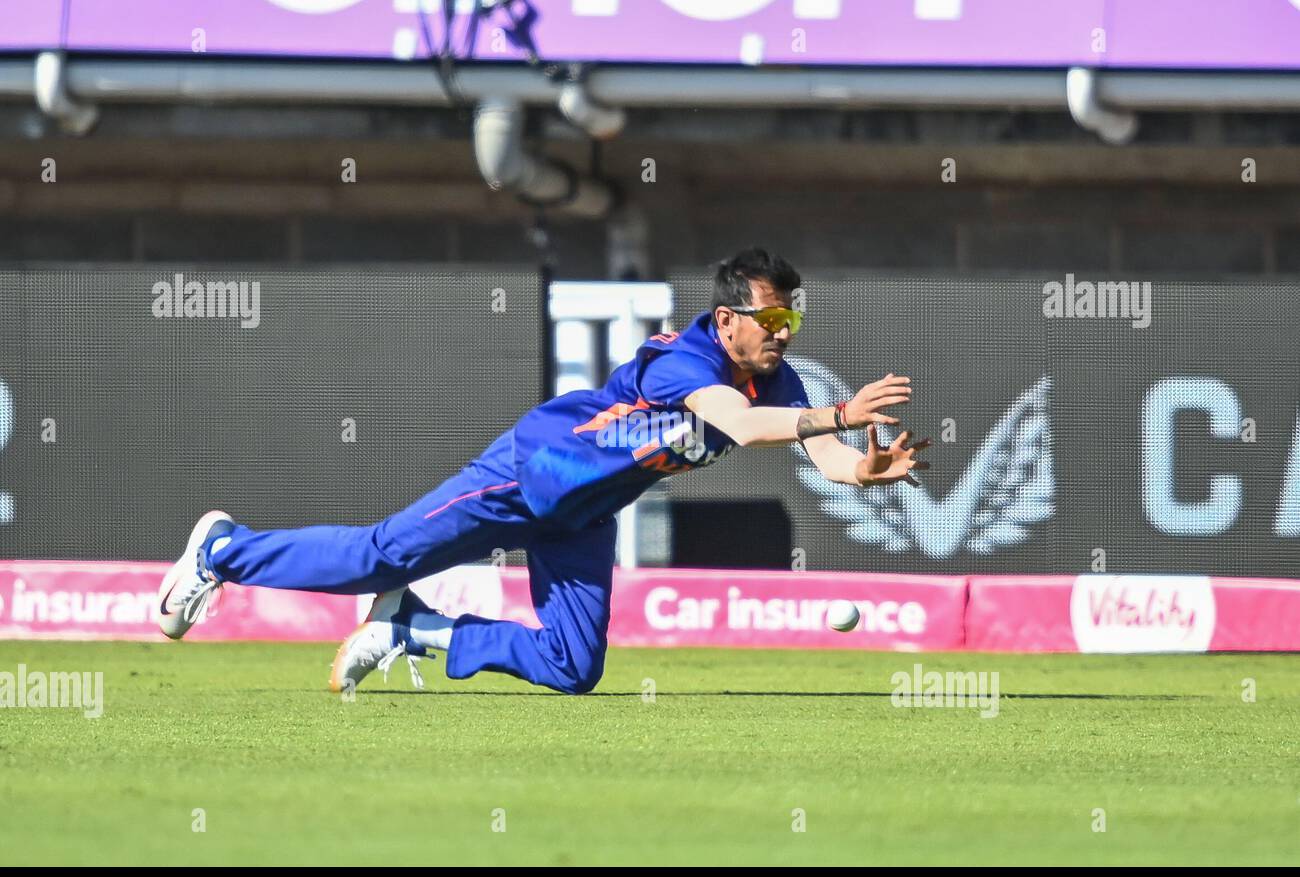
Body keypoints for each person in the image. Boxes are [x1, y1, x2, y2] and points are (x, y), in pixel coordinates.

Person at [154, 248, 929, 694]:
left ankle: (413, 628)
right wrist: (834, 416)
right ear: (727, 319)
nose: (784, 334)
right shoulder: (683, 360)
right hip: (533, 473)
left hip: (585, 515)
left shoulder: (779, 380)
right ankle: (222, 551)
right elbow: (740, 426)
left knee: (573, 667)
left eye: (793, 320)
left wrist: (864, 471)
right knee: (376, 556)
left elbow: (820, 454)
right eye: (772, 320)